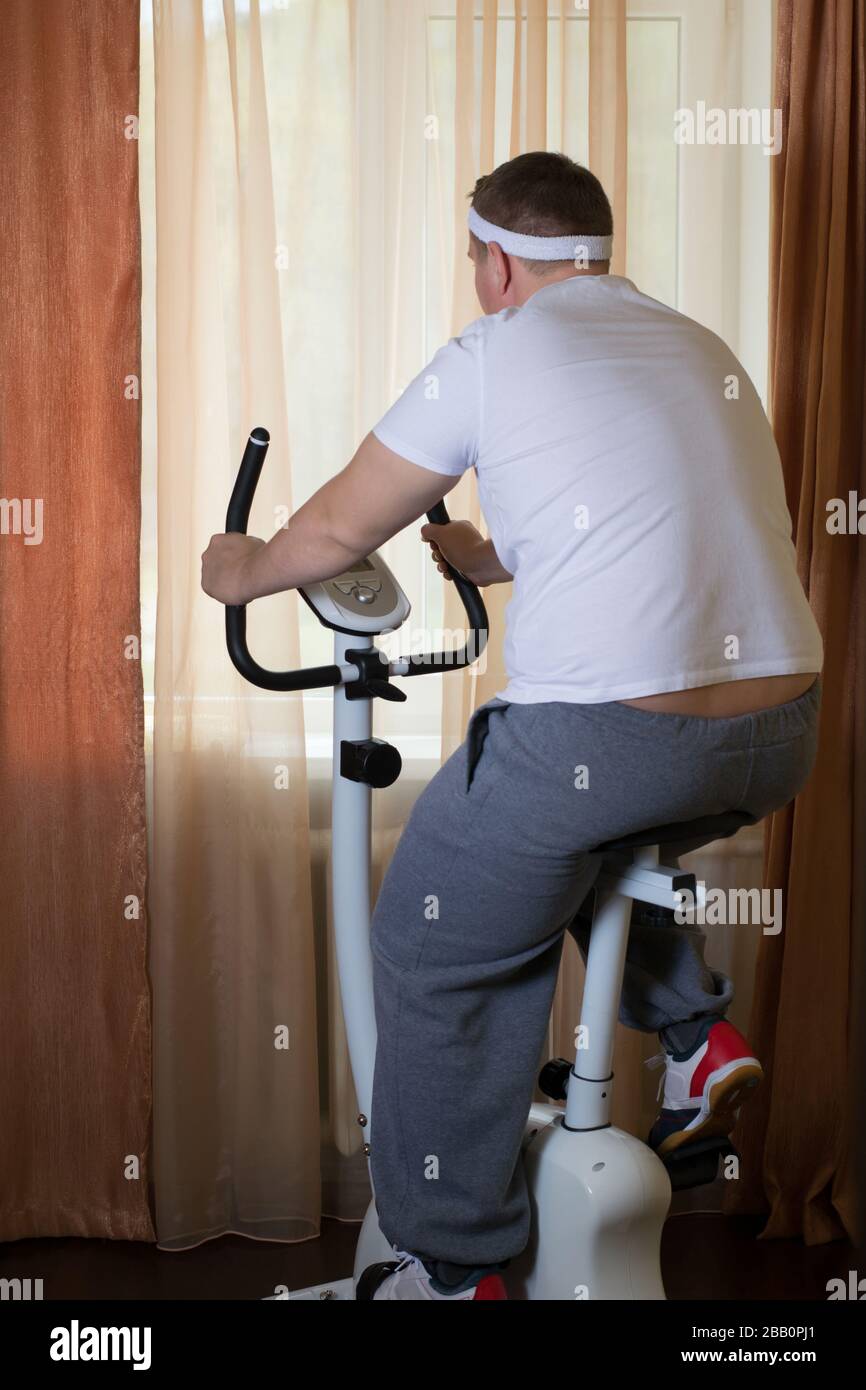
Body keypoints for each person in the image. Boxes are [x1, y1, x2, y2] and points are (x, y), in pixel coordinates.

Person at [201, 151, 823, 1302]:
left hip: (605, 735)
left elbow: (335, 525)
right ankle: (696, 1039)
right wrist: (495, 556)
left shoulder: (490, 352)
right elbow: (679, 531)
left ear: (494, 263)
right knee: (576, 849)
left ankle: (446, 1268)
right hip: (778, 727)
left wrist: (239, 570)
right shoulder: (696, 345)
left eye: (474, 260)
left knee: (437, 950)